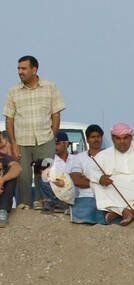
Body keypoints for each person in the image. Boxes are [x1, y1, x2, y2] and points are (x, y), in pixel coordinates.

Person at [4, 55, 66, 213]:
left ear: (34, 69)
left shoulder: (50, 87)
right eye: (18, 69)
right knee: (22, 175)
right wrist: (13, 143)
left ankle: (42, 202)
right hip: (21, 141)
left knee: (44, 172)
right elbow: (9, 119)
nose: (20, 72)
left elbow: (56, 113)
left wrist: (52, 135)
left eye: (23, 68)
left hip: (45, 138)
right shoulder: (13, 91)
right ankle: (23, 204)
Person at [66, 124, 107, 224]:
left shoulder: (110, 156)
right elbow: (77, 180)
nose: (96, 140)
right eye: (93, 137)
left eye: (98, 137)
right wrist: (100, 181)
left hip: (106, 196)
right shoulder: (79, 158)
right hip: (86, 197)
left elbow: (113, 179)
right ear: (87, 139)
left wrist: (86, 179)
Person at [37, 131, 75, 213]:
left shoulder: (75, 159)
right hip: (58, 189)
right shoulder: (51, 161)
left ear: (65, 144)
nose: (54, 147)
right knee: (43, 182)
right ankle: (56, 203)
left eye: (57, 144)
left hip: (72, 190)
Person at [0, 143, 20, 226]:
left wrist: (2, 180)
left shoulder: (3, 157)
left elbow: (17, 168)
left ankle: (2, 211)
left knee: (11, 173)